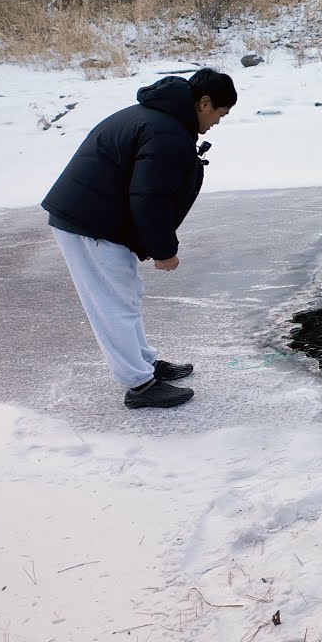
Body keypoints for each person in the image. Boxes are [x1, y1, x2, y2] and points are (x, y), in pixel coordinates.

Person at [42, 69, 237, 409]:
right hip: (89, 222)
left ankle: (144, 364)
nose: (218, 122)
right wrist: (164, 251)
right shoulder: (166, 133)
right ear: (204, 103)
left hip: (95, 215)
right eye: (220, 113)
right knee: (113, 302)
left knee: (125, 294)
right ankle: (140, 386)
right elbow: (150, 198)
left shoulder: (159, 119)